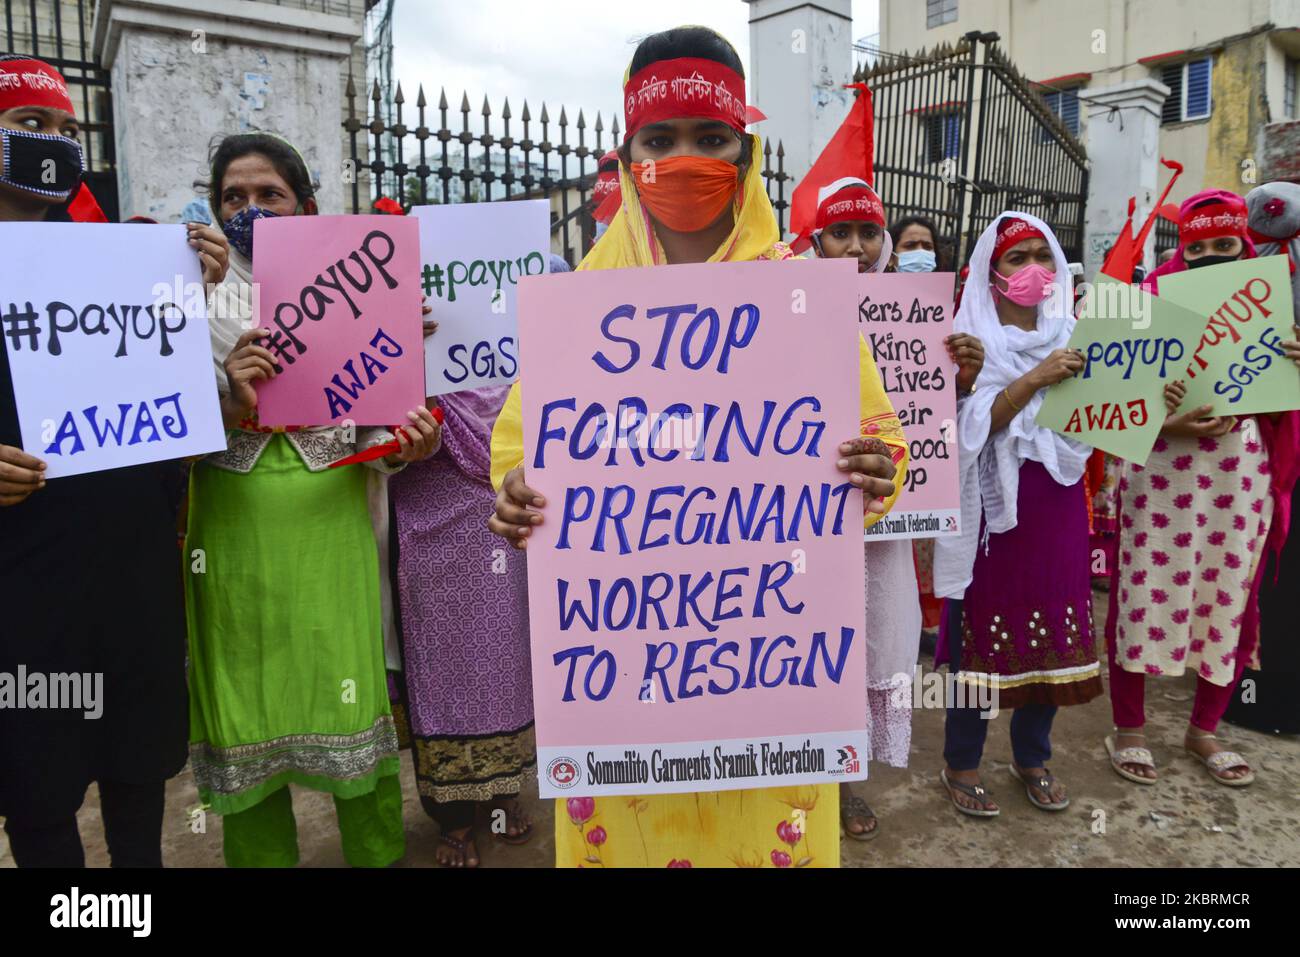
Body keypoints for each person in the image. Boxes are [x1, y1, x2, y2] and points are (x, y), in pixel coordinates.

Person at [487, 25, 899, 868]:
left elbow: (881, 441)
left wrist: (876, 469)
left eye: (711, 138)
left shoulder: (800, 298)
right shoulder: (578, 307)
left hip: (768, 697)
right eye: (660, 139)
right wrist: (516, 495)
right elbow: (518, 452)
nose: (684, 160)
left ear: (746, 153)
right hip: (623, 710)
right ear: (628, 150)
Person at [185, 132, 441, 867]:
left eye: (270, 194)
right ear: (212, 206)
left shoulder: (363, 287)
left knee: (347, 699)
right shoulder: (185, 294)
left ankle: (376, 854)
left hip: (332, 526)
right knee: (246, 707)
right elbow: (155, 428)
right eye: (233, 196)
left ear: (308, 206)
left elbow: (379, 429)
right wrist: (227, 394)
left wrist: (405, 442)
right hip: (230, 536)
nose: (250, 209)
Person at [0, 55, 229, 867]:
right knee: (38, 793)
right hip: (24, 592)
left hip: (129, 573)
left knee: (138, 781)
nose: (54, 144)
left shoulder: (119, 259)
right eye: (30, 126)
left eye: (66, 129)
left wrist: (185, 300)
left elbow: (177, 416)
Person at [1106, 190, 1300, 784]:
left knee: (1229, 601)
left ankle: (1204, 730)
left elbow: (1282, 410)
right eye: (1198, 247)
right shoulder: (1144, 306)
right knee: (1141, 597)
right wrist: (1167, 419)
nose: (1212, 256)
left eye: (1225, 244)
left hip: (1239, 482)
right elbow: (1107, 404)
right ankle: (1130, 728)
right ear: (1181, 250)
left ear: (1245, 244)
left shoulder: (1272, 308)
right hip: (1160, 476)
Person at [386, 256, 574, 868]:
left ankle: (501, 797)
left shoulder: (541, 313)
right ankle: (453, 817)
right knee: (442, 669)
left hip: (509, 521)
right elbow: (377, 428)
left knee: (507, 661)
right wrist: (401, 355)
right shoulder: (410, 330)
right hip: (432, 525)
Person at [933, 213, 1101, 817]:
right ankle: (963, 761)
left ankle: (1033, 756)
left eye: (1042, 255)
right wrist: (1034, 379)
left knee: (1053, 630)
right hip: (991, 515)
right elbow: (966, 430)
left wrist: (1153, 400)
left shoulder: (1082, 337)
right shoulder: (967, 339)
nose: (1032, 269)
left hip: (1057, 502)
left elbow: (1108, 418)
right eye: (1016, 258)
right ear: (993, 272)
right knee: (979, 634)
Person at [1222, 181, 1300, 735]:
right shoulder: (1219, 287)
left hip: (1286, 450)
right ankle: (1244, 688)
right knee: (1249, 572)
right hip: (1242, 454)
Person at [884, 215, 980, 656]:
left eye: (927, 245)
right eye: (909, 245)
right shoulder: (871, 303)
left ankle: (929, 618)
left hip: (928, 447)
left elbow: (956, 388)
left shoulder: (955, 314)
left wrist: (963, 377)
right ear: (893, 251)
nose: (919, 252)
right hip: (885, 444)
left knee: (925, 540)